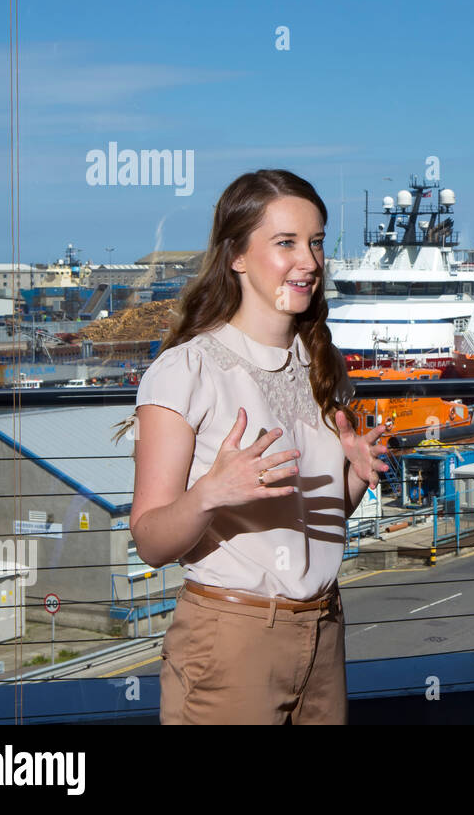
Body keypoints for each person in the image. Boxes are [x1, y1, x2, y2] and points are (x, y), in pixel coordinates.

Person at [114, 169, 390, 724]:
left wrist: (355, 477)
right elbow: (149, 541)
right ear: (236, 256)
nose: (309, 261)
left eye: (315, 242)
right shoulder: (186, 370)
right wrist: (210, 495)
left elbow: (313, 520)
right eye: (285, 243)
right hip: (232, 641)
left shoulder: (322, 366)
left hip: (324, 630)